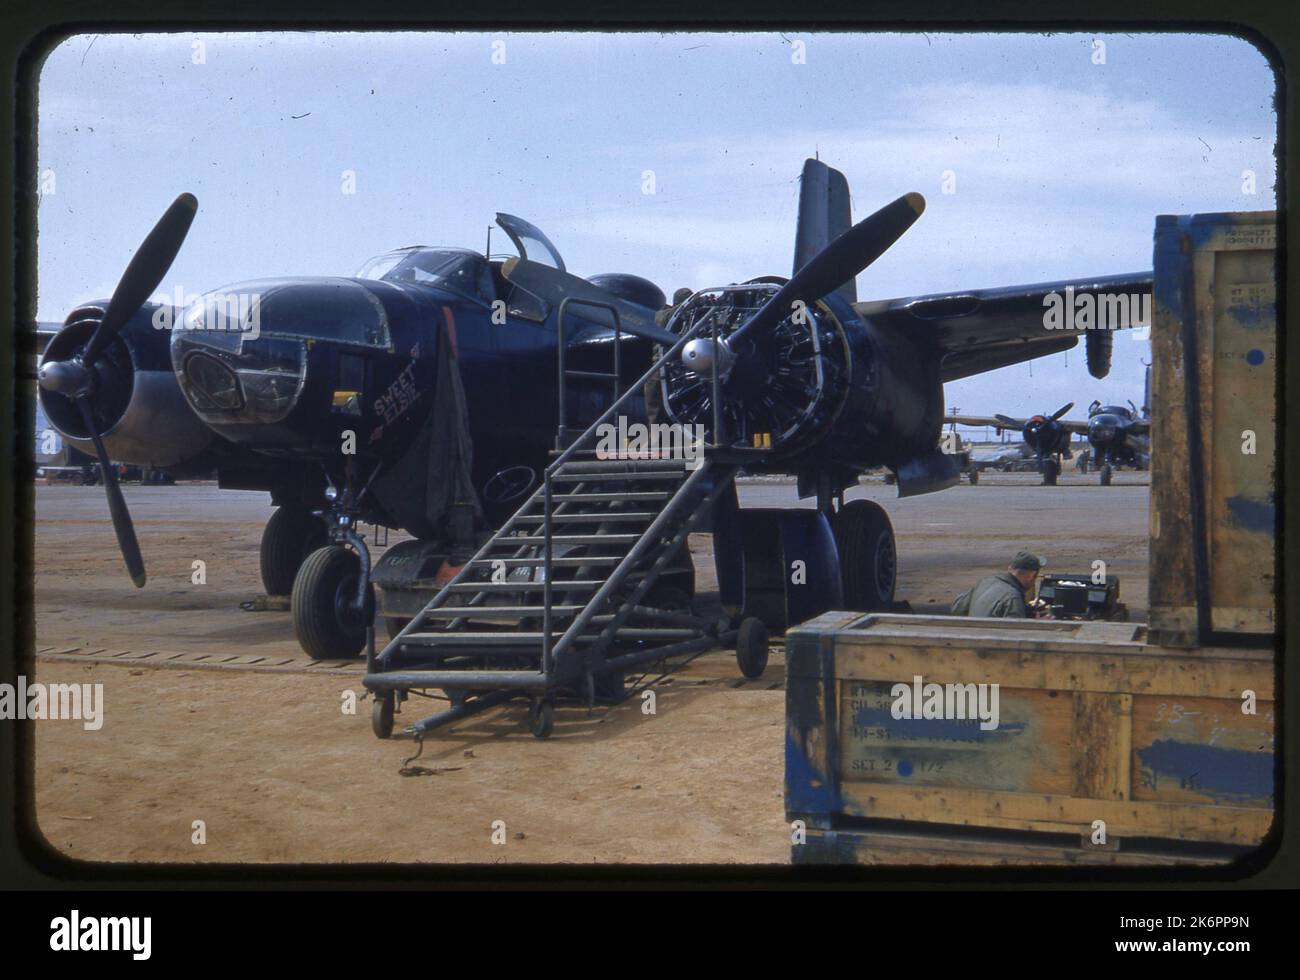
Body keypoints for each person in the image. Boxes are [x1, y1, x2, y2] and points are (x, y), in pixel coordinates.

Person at [950, 551, 1046, 618]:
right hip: (991, 643)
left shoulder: (985, 582)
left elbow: (957, 608)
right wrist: (1037, 625)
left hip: (974, 636)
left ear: (1010, 568)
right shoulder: (1012, 597)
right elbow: (1015, 634)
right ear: (1032, 575)